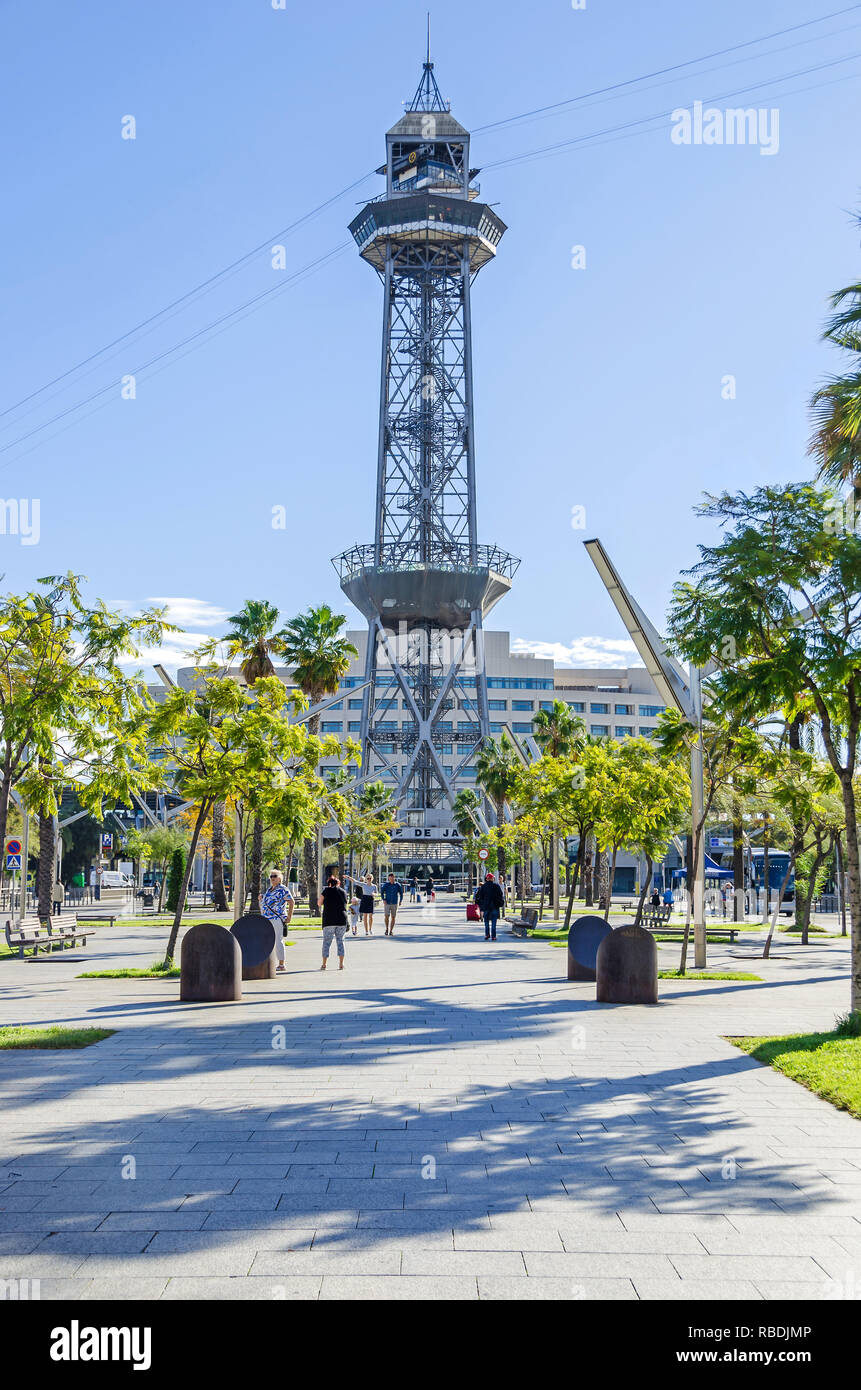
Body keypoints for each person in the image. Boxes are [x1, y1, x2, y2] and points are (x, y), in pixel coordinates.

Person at [261, 870, 295, 973]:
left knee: (278, 941)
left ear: (279, 878)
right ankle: (268, 962)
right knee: (266, 941)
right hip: (266, 918)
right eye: (271, 876)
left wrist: (289, 917)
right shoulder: (269, 890)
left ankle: (281, 964)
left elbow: (291, 902)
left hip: (277, 918)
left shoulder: (283, 889)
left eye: (274, 876)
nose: (272, 878)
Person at [318, 875, 348, 971]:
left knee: (327, 942)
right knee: (341, 942)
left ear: (329, 883)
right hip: (341, 919)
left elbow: (319, 903)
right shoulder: (343, 891)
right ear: (338, 883)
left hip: (329, 920)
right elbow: (345, 903)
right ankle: (341, 964)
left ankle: (324, 964)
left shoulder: (326, 891)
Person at [474, 871, 504, 941]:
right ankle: (493, 936)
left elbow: (480, 897)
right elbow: (500, 895)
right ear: (492, 878)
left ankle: (487, 934)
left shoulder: (483, 887)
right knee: (494, 922)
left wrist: (481, 906)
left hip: (486, 907)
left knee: (486, 921)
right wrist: (500, 903)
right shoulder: (496, 886)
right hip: (495, 906)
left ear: (487, 879)